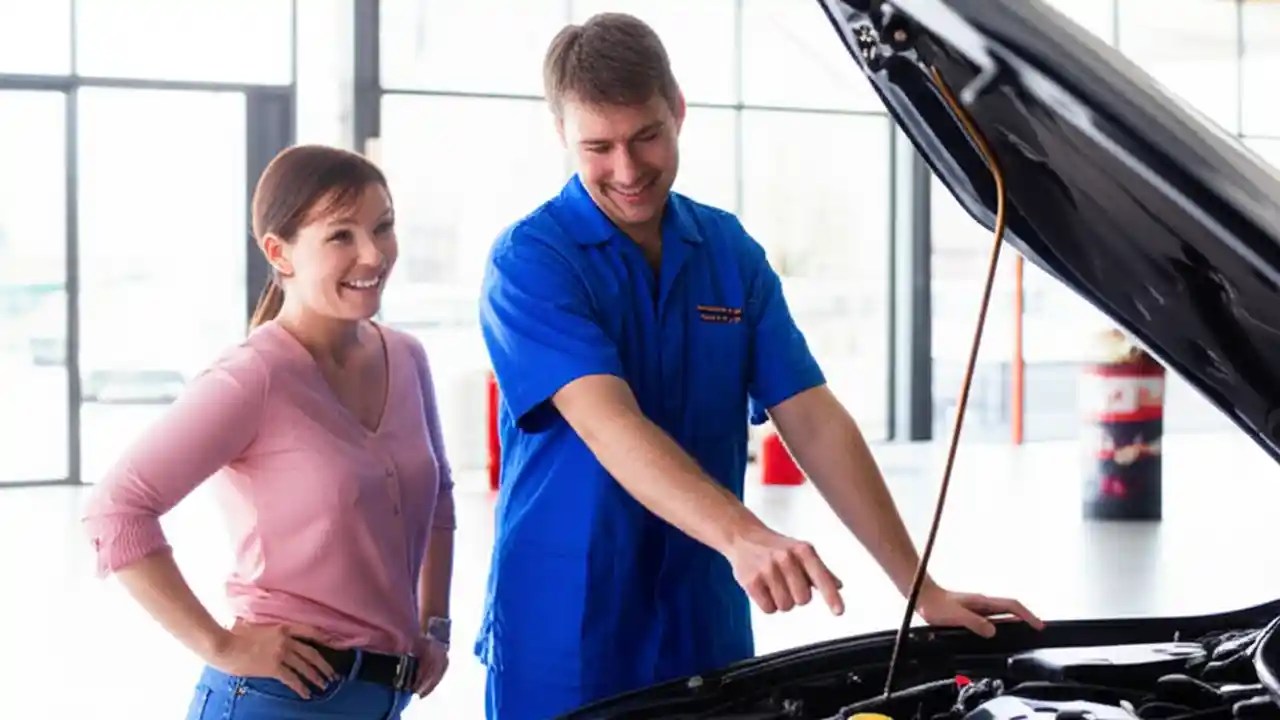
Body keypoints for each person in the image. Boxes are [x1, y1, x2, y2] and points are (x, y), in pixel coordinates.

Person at [474, 12, 1045, 720]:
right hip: (566, 627)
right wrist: (747, 535)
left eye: (647, 136)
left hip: (702, 622)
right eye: (599, 147)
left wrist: (918, 587)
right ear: (563, 136)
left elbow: (811, 417)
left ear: (677, 109)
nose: (627, 170)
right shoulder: (531, 261)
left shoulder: (727, 251)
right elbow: (607, 423)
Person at [81, 144, 456, 719]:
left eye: (383, 228)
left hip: (386, 698)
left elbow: (439, 499)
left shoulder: (406, 356)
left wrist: (434, 624)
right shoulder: (253, 377)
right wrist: (222, 645)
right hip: (278, 699)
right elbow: (116, 510)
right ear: (279, 252)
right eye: (340, 236)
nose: (373, 253)